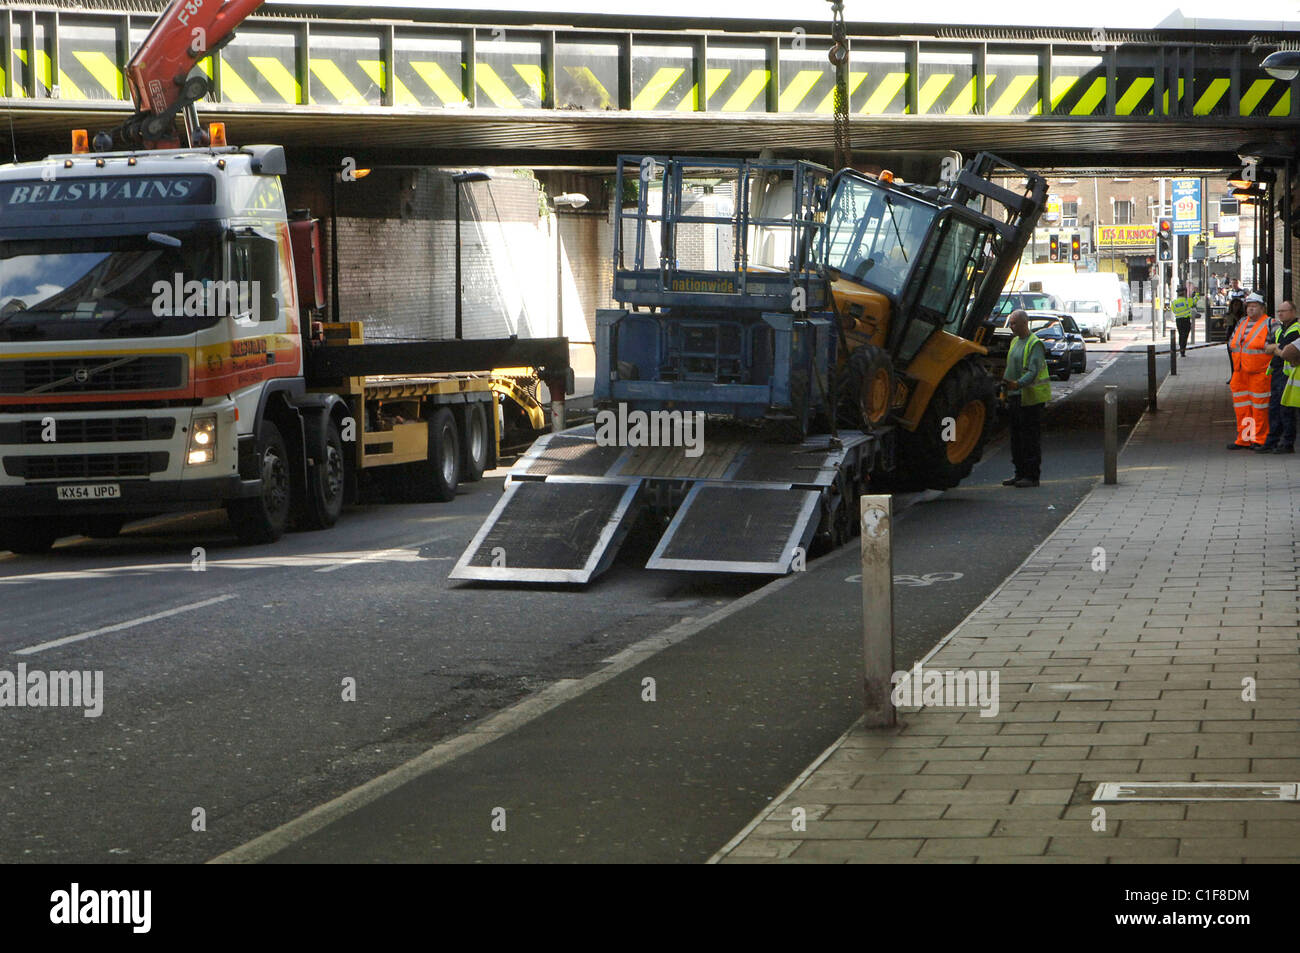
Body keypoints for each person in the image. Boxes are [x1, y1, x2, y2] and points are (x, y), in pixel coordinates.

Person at [1000, 309, 1050, 488]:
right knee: (1016, 438)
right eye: (1010, 323)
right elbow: (1010, 368)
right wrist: (1005, 390)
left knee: (1030, 438)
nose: (1011, 326)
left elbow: (1033, 371)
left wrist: (1018, 384)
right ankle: (1019, 473)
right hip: (1015, 396)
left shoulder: (1034, 343)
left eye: (1014, 323)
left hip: (1030, 398)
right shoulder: (1014, 341)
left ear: (1024, 323)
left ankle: (1032, 476)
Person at [1227, 292, 1272, 450]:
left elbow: (1273, 347)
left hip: (1259, 373)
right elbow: (1233, 343)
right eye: (1249, 306)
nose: (1250, 309)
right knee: (1243, 408)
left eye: (1254, 306)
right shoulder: (1242, 322)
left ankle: (1260, 439)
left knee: (1259, 408)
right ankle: (1245, 439)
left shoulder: (1270, 323)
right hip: (1240, 373)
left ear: (1262, 307)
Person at [1258, 300, 1299, 453]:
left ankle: (1287, 443)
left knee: (1285, 410)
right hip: (1277, 372)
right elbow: (1268, 348)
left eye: (1284, 311)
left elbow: (1284, 352)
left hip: (1288, 373)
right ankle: (1273, 441)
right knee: (1275, 408)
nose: (1280, 313)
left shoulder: (1296, 330)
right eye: (1279, 311)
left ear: (1293, 312)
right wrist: (1275, 348)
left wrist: (1275, 348)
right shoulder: (1280, 330)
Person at [1172, 282, 1197, 357]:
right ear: (1184, 293)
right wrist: (1197, 294)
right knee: (1185, 335)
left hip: (1178, 320)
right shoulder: (1187, 301)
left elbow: (1174, 311)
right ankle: (1182, 349)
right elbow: (1195, 301)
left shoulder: (1174, 302)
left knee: (1181, 334)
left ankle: (1181, 348)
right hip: (1186, 320)